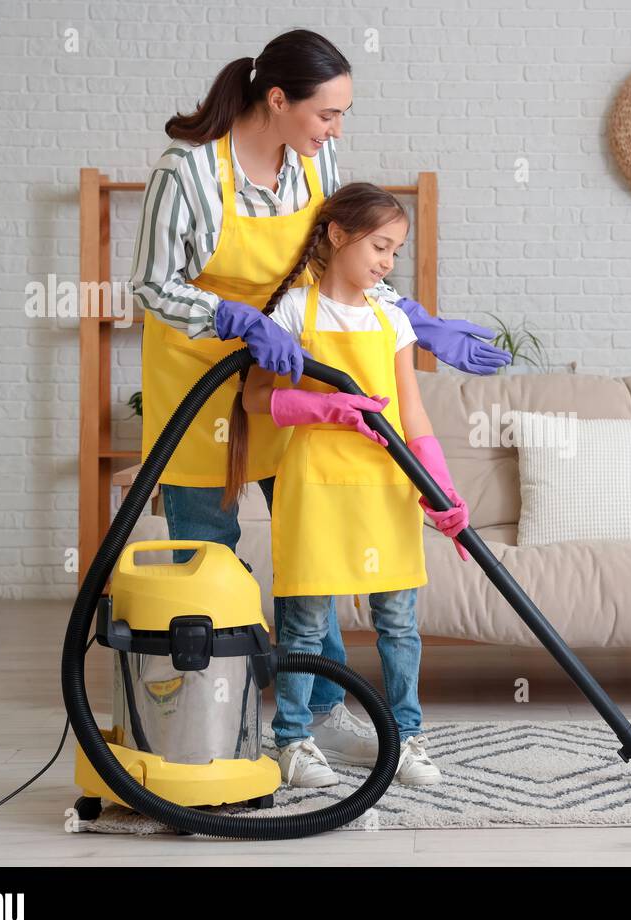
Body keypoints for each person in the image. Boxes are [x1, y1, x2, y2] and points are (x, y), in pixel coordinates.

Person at [127, 30, 508, 770]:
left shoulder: (315, 161)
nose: (337, 131)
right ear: (278, 100)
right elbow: (149, 284)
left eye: (341, 115)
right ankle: (214, 721)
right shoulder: (191, 171)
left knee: (317, 552)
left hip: (293, 372)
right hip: (199, 375)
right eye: (328, 114)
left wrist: (417, 319)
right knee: (211, 552)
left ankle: (319, 711)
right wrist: (230, 317)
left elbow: (332, 258)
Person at [232, 182, 471, 786]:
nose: (387, 263)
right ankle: (292, 741)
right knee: (304, 619)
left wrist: (439, 488)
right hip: (316, 484)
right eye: (380, 246)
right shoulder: (293, 311)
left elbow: (412, 411)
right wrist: (325, 408)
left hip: (385, 483)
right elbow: (256, 397)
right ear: (338, 235)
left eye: (395, 252)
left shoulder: (391, 318)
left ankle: (407, 739)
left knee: (398, 621)